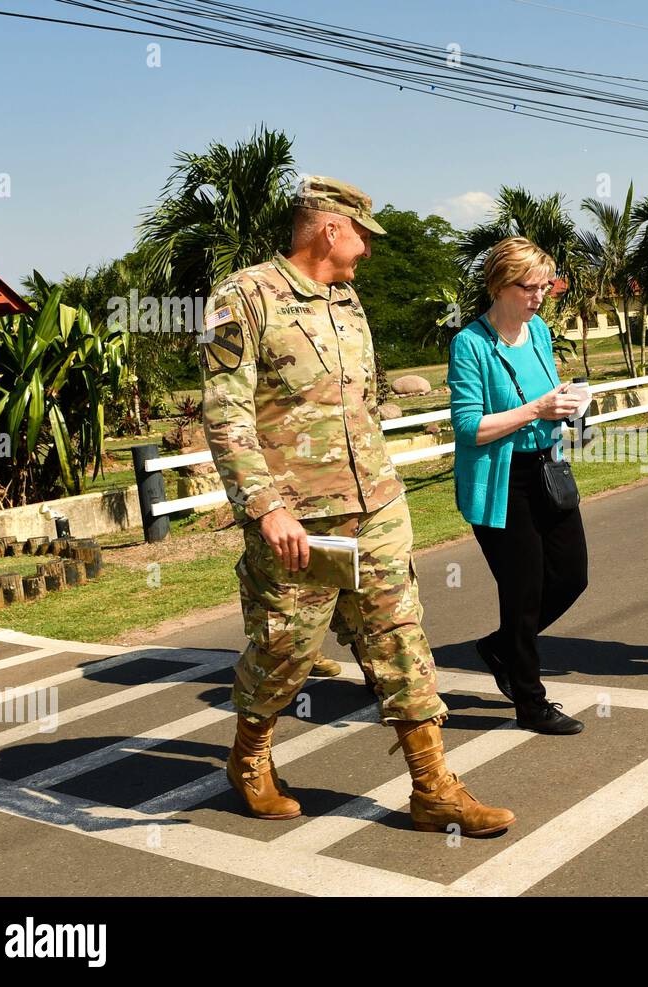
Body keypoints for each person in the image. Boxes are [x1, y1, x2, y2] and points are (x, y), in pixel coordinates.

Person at [200, 175, 514, 837]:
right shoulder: (243, 296)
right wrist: (266, 509)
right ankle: (249, 755)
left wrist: (385, 485)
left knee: (401, 638)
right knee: (285, 647)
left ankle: (434, 788)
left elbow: (362, 405)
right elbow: (226, 417)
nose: (367, 252)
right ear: (329, 229)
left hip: (373, 505)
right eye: (362, 238)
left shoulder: (346, 300)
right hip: (297, 520)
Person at [448, 237, 589, 735]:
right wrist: (536, 410)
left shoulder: (540, 331)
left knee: (572, 577)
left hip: (547, 467)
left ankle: (500, 647)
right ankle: (530, 701)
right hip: (501, 479)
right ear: (501, 286)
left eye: (544, 287)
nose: (538, 297)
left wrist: (567, 403)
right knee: (523, 592)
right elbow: (469, 428)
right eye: (529, 288)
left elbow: (545, 390)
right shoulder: (470, 344)